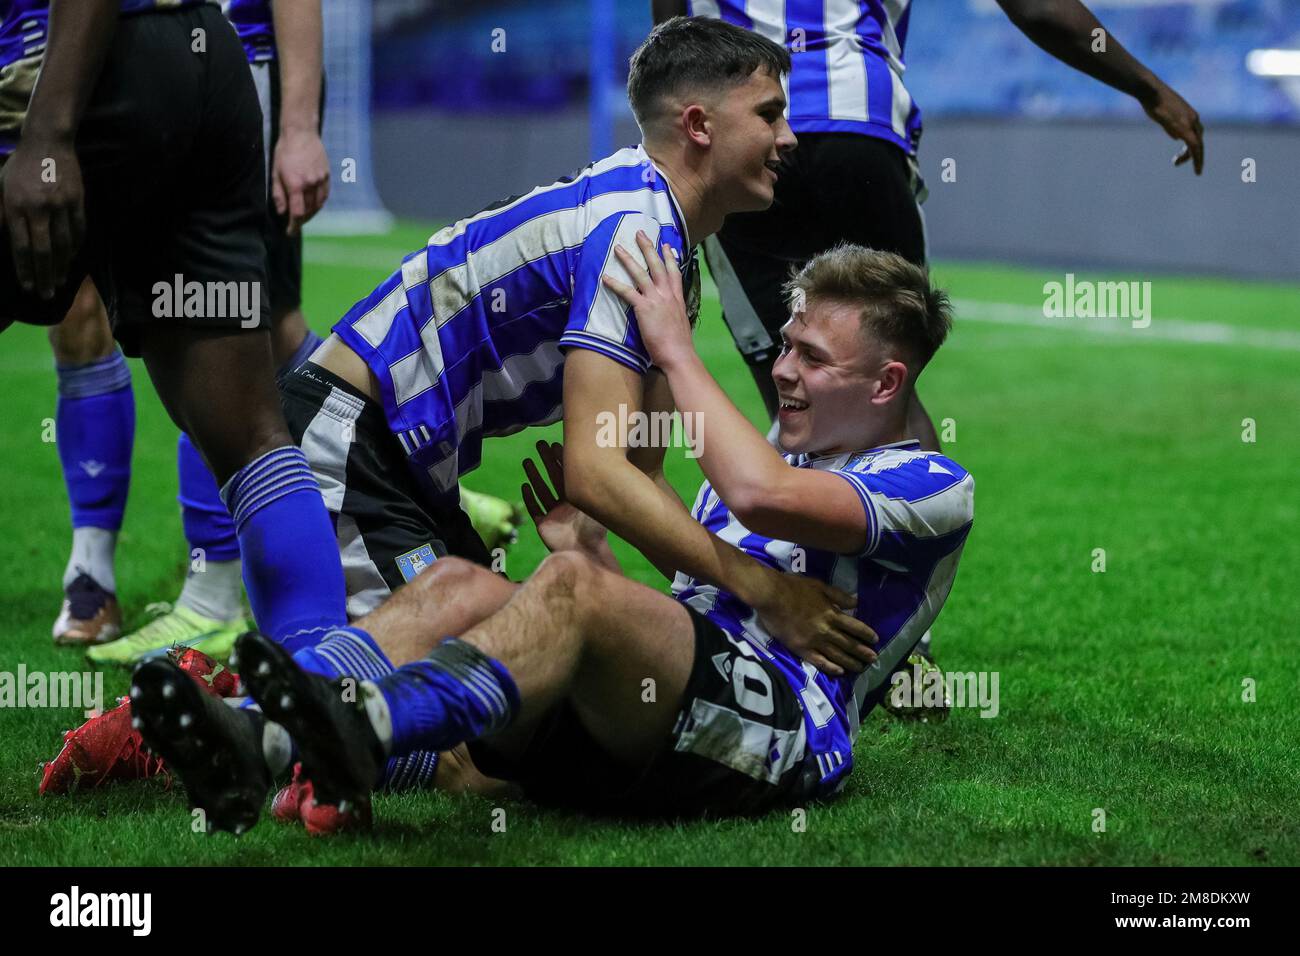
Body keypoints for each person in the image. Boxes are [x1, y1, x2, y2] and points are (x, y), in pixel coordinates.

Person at [129, 243, 975, 830]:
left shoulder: (933, 488)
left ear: (886, 382)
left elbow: (759, 496)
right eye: (785, 345)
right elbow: (700, 598)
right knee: (456, 585)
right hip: (666, 714)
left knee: (566, 592)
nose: (784, 370)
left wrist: (674, 349)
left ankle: (370, 725)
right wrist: (598, 556)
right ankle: (255, 735)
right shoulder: (792, 452)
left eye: (813, 359)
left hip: (781, 733)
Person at [0, 0, 349, 648]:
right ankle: (324, 687)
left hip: (73, 74)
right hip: (205, 58)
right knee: (252, 435)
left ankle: (398, 471)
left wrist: (47, 135)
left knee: (280, 340)